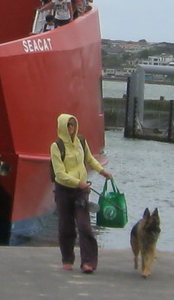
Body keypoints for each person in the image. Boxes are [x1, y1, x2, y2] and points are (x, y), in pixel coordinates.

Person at [51, 113, 112, 273]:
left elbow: (90, 159)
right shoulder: (56, 147)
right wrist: (78, 182)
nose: (71, 128)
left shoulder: (81, 141)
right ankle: (67, 259)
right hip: (64, 190)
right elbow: (59, 174)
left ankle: (88, 262)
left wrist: (102, 171)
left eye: (73, 124)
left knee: (84, 226)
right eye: (68, 125)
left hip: (81, 191)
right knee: (66, 227)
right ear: (63, 127)